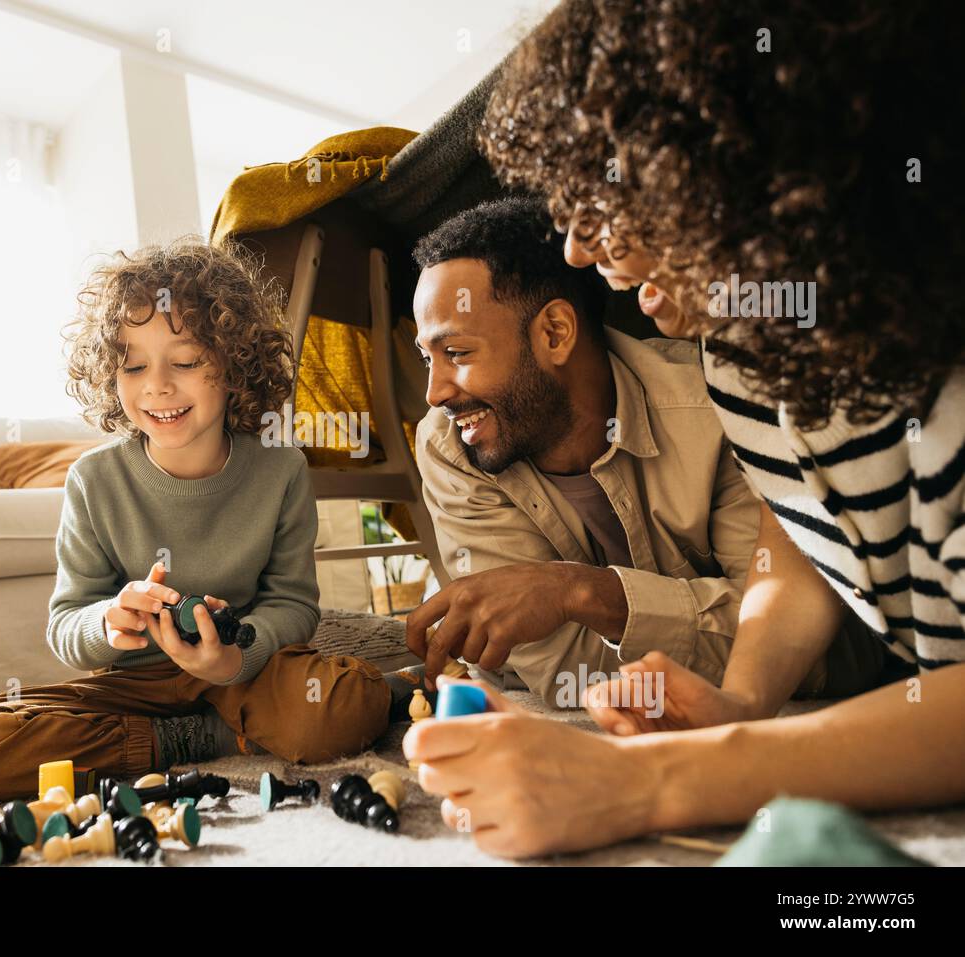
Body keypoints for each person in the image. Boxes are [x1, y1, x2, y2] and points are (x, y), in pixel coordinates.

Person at [404, 0, 965, 858]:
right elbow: (803, 548)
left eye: (603, 199)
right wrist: (741, 701)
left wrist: (668, 777)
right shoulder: (744, 356)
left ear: (731, 163)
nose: (585, 251)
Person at [0, 238, 417, 802]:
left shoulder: (280, 470)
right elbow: (66, 621)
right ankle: (196, 740)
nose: (157, 384)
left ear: (235, 367)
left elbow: (294, 605)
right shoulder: (95, 480)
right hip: (134, 687)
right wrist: (109, 622)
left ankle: (382, 693)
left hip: (242, 676)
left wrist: (236, 654)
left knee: (340, 711)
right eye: (133, 365)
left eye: (185, 362)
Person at [406, 196, 885, 704]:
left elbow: (798, 655)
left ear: (555, 333)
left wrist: (582, 592)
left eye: (456, 353)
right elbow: (566, 677)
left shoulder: (721, 402)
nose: (435, 392)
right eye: (426, 357)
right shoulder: (450, 448)